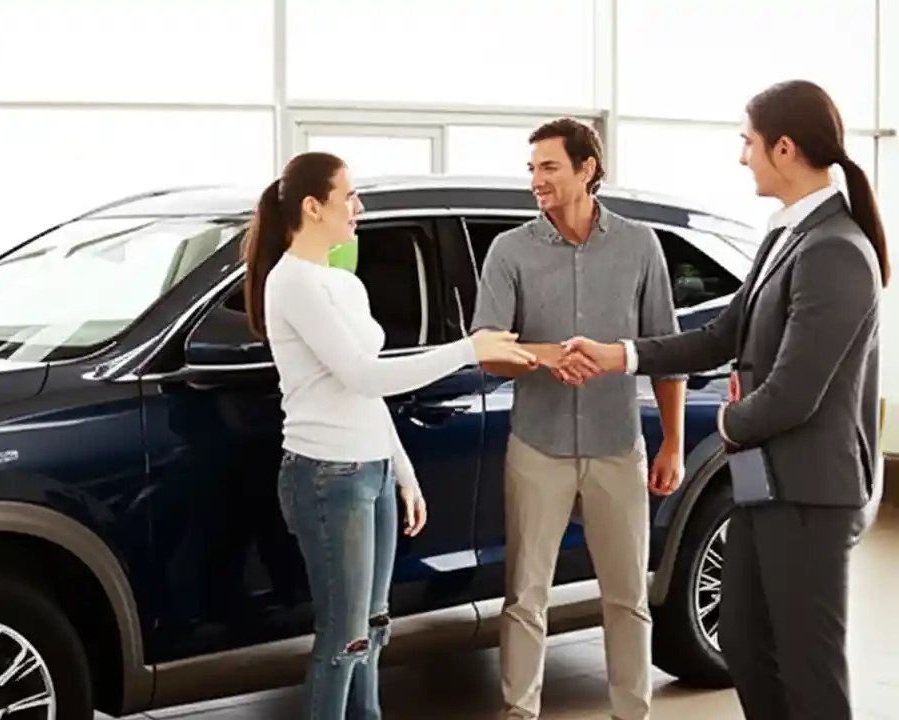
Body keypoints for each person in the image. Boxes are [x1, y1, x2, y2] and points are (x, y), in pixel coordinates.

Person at [563, 80, 887, 720]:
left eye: (748, 142)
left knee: (809, 664)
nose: (742, 157)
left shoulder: (836, 250)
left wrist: (729, 421)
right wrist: (618, 355)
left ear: (785, 148)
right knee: (741, 636)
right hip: (767, 481)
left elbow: (794, 394)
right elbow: (721, 335)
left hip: (810, 494)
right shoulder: (787, 235)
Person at [242, 150, 537, 719]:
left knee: (374, 628)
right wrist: (467, 349)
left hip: (370, 469)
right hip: (328, 476)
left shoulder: (342, 284)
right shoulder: (292, 283)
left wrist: (402, 472)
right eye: (349, 196)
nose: (358, 207)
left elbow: (365, 390)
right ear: (313, 207)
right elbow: (363, 374)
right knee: (344, 638)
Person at [469, 118, 686, 720]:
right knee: (525, 597)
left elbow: (665, 351)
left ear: (587, 168)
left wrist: (671, 443)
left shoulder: (640, 246)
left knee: (628, 595)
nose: (536, 180)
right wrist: (547, 356)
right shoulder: (510, 251)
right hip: (537, 448)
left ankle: (632, 712)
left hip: (618, 445)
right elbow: (488, 350)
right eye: (532, 168)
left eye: (549, 167)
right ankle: (520, 712)